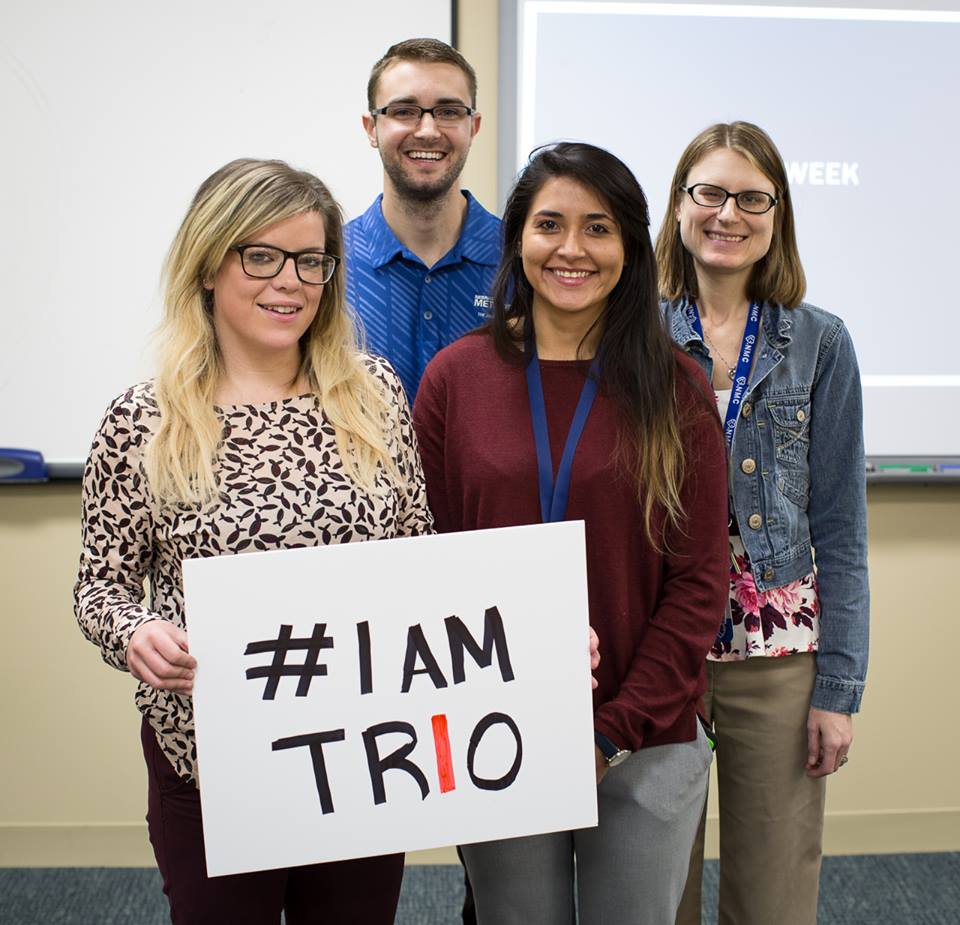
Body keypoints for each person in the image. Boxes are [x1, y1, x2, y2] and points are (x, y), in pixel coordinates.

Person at [74, 158, 433, 924]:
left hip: (358, 751)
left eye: (310, 260)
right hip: (210, 758)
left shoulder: (374, 396)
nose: (290, 281)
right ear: (209, 266)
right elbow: (99, 586)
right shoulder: (144, 420)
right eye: (261, 256)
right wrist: (134, 632)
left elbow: (421, 564)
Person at [413, 142, 730, 924]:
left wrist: (607, 733)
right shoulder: (456, 377)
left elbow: (699, 580)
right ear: (518, 237)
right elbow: (427, 560)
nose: (571, 249)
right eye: (549, 223)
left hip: (645, 732)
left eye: (598, 228)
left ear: (628, 245)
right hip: (498, 730)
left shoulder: (677, 384)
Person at [656, 122, 869, 925]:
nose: (728, 213)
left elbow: (843, 530)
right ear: (679, 206)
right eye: (708, 192)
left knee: (774, 894)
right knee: (649, 891)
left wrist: (840, 690)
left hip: (777, 656)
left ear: (776, 215)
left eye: (752, 197)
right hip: (658, 646)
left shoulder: (821, 343)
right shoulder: (627, 331)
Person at [344, 37, 502, 401]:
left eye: (448, 111)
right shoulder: (325, 266)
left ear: (473, 127)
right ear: (372, 128)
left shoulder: (523, 261)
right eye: (404, 111)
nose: (428, 131)